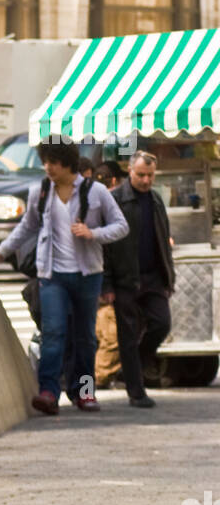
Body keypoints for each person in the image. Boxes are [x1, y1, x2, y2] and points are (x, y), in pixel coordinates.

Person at [0, 142, 128, 415]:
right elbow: (26, 228)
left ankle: (84, 392)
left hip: (88, 275)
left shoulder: (95, 191)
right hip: (52, 275)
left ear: (68, 163)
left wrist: (93, 233)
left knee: (85, 337)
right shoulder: (40, 191)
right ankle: (48, 391)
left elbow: (121, 226)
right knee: (53, 333)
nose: (48, 167)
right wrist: (0, 254)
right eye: (45, 162)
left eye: (53, 162)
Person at [101, 150, 175, 409]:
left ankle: (137, 363)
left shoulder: (155, 200)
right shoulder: (115, 200)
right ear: (130, 171)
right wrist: (107, 284)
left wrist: (168, 278)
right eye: (141, 175)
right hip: (125, 280)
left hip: (153, 277)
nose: (146, 180)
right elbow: (106, 246)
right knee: (127, 335)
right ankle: (136, 391)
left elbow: (163, 238)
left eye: (150, 175)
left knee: (161, 323)